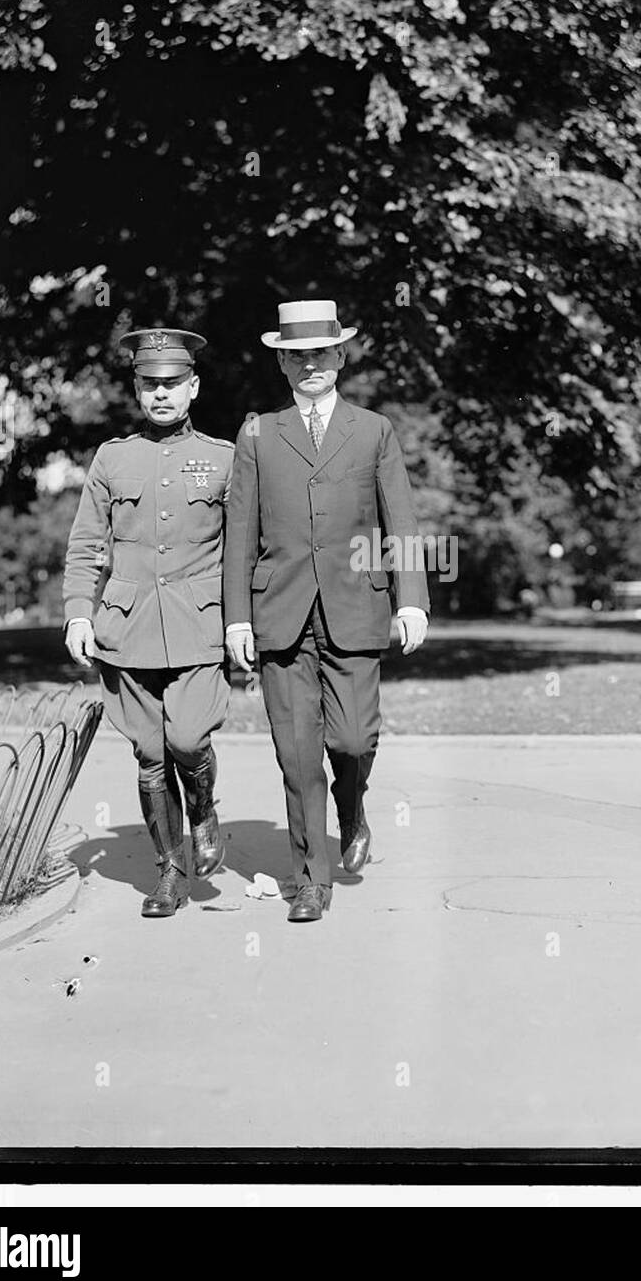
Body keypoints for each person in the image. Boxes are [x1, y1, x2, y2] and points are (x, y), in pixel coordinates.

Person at [224, 300, 430, 923]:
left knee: (352, 738)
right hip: (280, 616)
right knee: (295, 754)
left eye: (322, 353)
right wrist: (237, 618)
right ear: (283, 362)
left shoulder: (374, 430)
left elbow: (402, 521)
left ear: (341, 356)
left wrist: (412, 598)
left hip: (356, 609)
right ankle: (310, 878)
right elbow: (240, 532)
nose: (311, 364)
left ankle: (352, 803)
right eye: (298, 355)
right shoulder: (258, 431)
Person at [62, 328, 234, 918]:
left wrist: (242, 625)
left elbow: (242, 554)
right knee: (151, 755)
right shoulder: (113, 457)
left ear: (193, 387)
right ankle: (168, 870)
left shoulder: (223, 458)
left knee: (188, 738)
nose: (160, 394)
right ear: (137, 389)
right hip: (127, 629)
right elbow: (86, 545)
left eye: (171, 384)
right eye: (149, 384)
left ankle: (205, 810)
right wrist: (78, 614)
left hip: (199, 626)